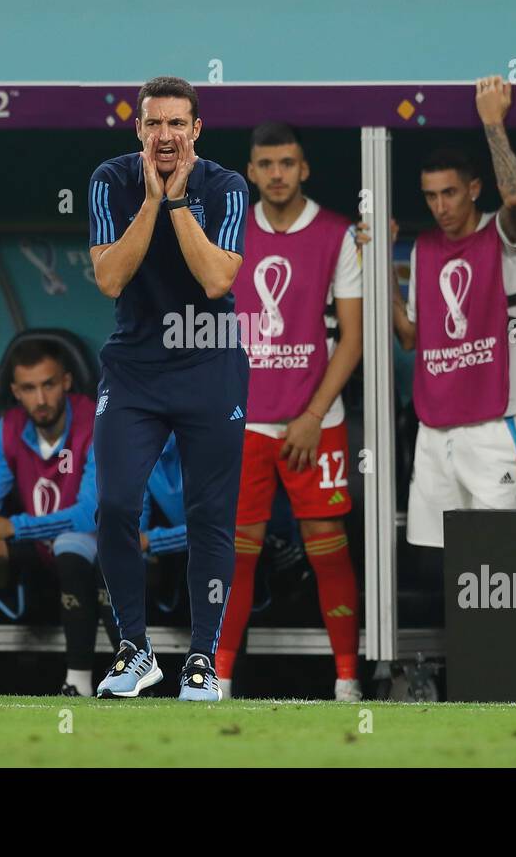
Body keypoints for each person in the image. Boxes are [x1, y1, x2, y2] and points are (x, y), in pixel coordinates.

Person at [88, 75, 250, 700]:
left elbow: (216, 280)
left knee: (211, 516)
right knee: (117, 505)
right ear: (138, 129)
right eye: (153, 124)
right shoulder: (111, 180)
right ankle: (136, 649)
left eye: (177, 124)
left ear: (196, 130)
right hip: (135, 367)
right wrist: (153, 202)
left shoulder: (226, 186)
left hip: (210, 364)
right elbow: (109, 278)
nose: (165, 136)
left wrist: (180, 202)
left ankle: (203, 661)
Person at [217, 120, 362, 702]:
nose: (277, 174)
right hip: (246, 418)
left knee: (327, 541)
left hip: (315, 421)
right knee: (236, 548)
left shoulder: (337, 234)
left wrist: (310, 414)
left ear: (305, 169)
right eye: (266, 164)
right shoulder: (227, 232)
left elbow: (351, 338)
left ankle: (348, 679)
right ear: (251, 171)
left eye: (288, 163)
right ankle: (218, 679)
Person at [392, 75, 516, 550]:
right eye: (431, 196)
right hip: (436, 430)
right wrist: (380, 264)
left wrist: (492, 123)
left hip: (495, 427)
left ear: (474, 189)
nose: (440, 206)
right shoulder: (422, 249)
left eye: (451, 193)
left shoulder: (505, 238)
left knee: (492, 558)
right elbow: (408, 337)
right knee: (445, 563)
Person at [0, 339, 101, 697]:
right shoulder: (9, 427)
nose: (40, 399)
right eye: (29, 388)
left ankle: (78, 686)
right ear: (15, 391)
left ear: (67, 382)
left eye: (49, 385)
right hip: (32, 551)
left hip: (90, 552)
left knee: (72, 545)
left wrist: (15, 527)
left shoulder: (95, 422)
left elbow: (91, 514)